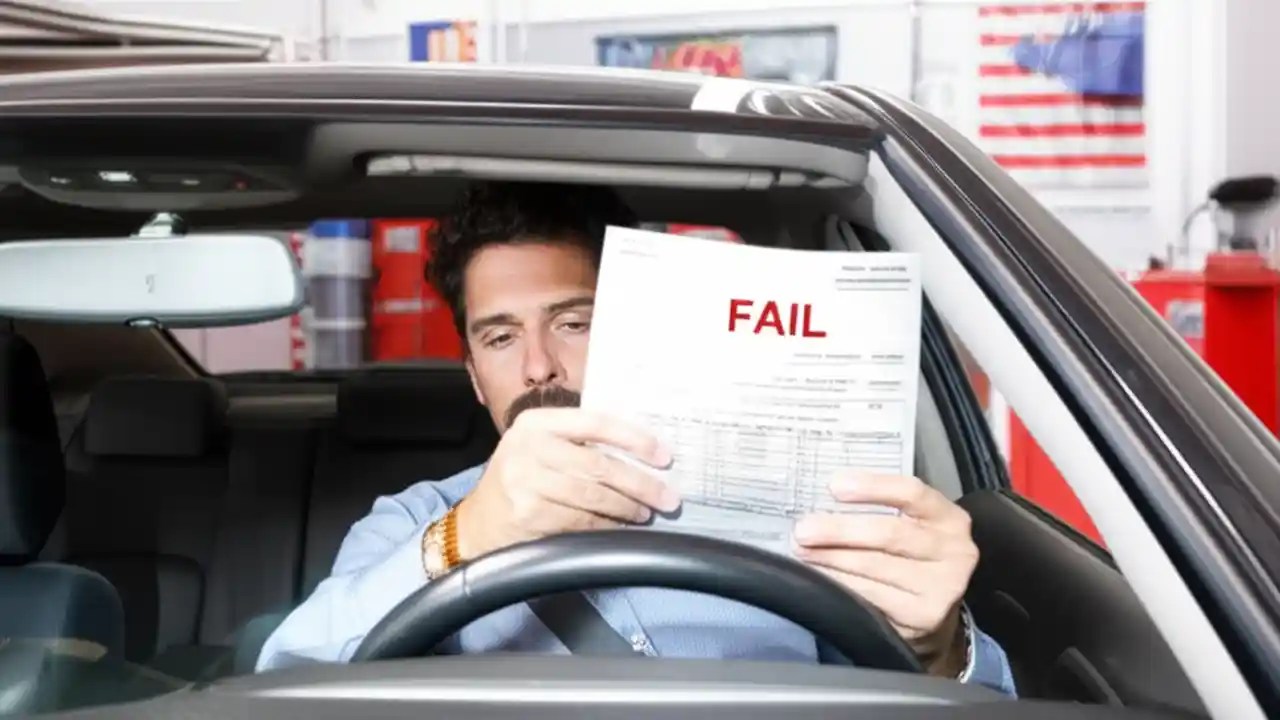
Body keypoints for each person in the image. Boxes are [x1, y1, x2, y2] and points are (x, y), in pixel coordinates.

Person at [256, 181, 1016, 696]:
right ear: (473, 374)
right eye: (498, 337)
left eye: (573, 322)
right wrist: (467, 538)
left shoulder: (800, 500)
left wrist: (940, 648)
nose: (538, 367)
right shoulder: (417, 520)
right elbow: (287, 677)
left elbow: (945, 696)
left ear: (639, 328)